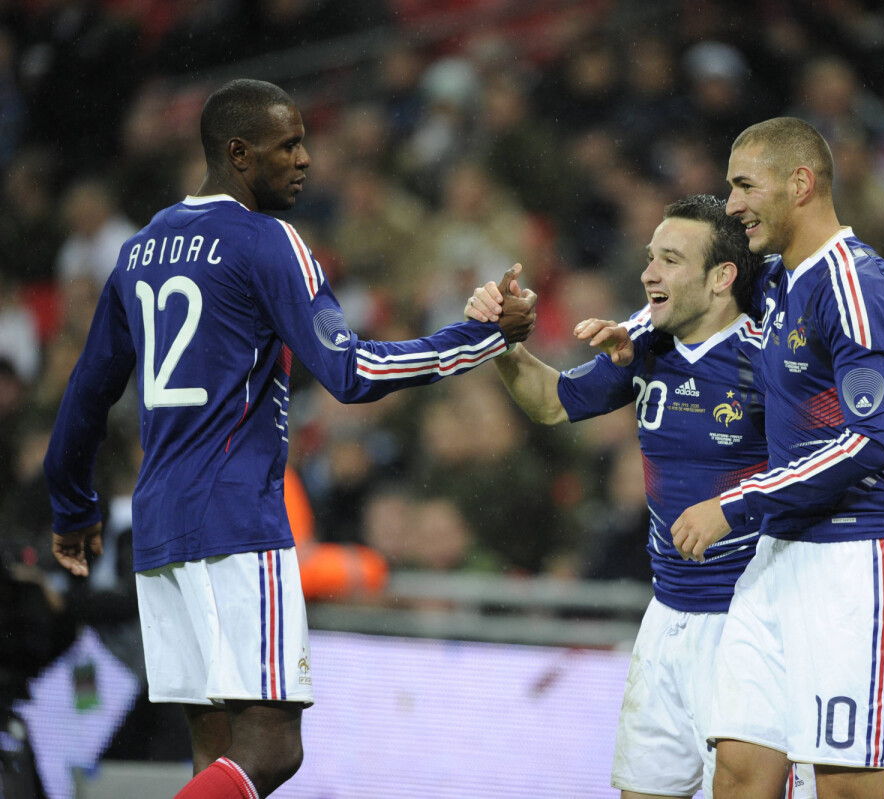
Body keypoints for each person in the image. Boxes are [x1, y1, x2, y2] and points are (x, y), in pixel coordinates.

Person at [42, 79, 536, 799]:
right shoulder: (266, 240)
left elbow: (88, 390)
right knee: (272, 749)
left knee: (216, 752)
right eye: (289, 145)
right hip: (237, 521)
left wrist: (71, 506)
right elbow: (352, 372)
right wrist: (480, 336)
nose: (306, 160)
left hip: (159, 528)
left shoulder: (140, 249)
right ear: (239, 153)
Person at [465, 193, 884, 799]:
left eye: (670, 260)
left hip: (747, 617)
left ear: (721, 277)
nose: (648, 273)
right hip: (665, 615)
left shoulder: (770, 357)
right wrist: (503, 341)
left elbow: (843, 440)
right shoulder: (646, 341)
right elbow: (552, 402)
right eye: (650, 257)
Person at [669, 118, 884, 799]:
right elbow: (691, 292)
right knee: (739, 773)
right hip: (777, 558)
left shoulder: (856, 283)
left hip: (852, 561)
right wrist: (627, 335)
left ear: (801, 184)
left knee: (846, 788)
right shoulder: (776, 279)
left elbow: (866, 438)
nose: (731, 205)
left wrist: (734, 504)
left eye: (744, 186)